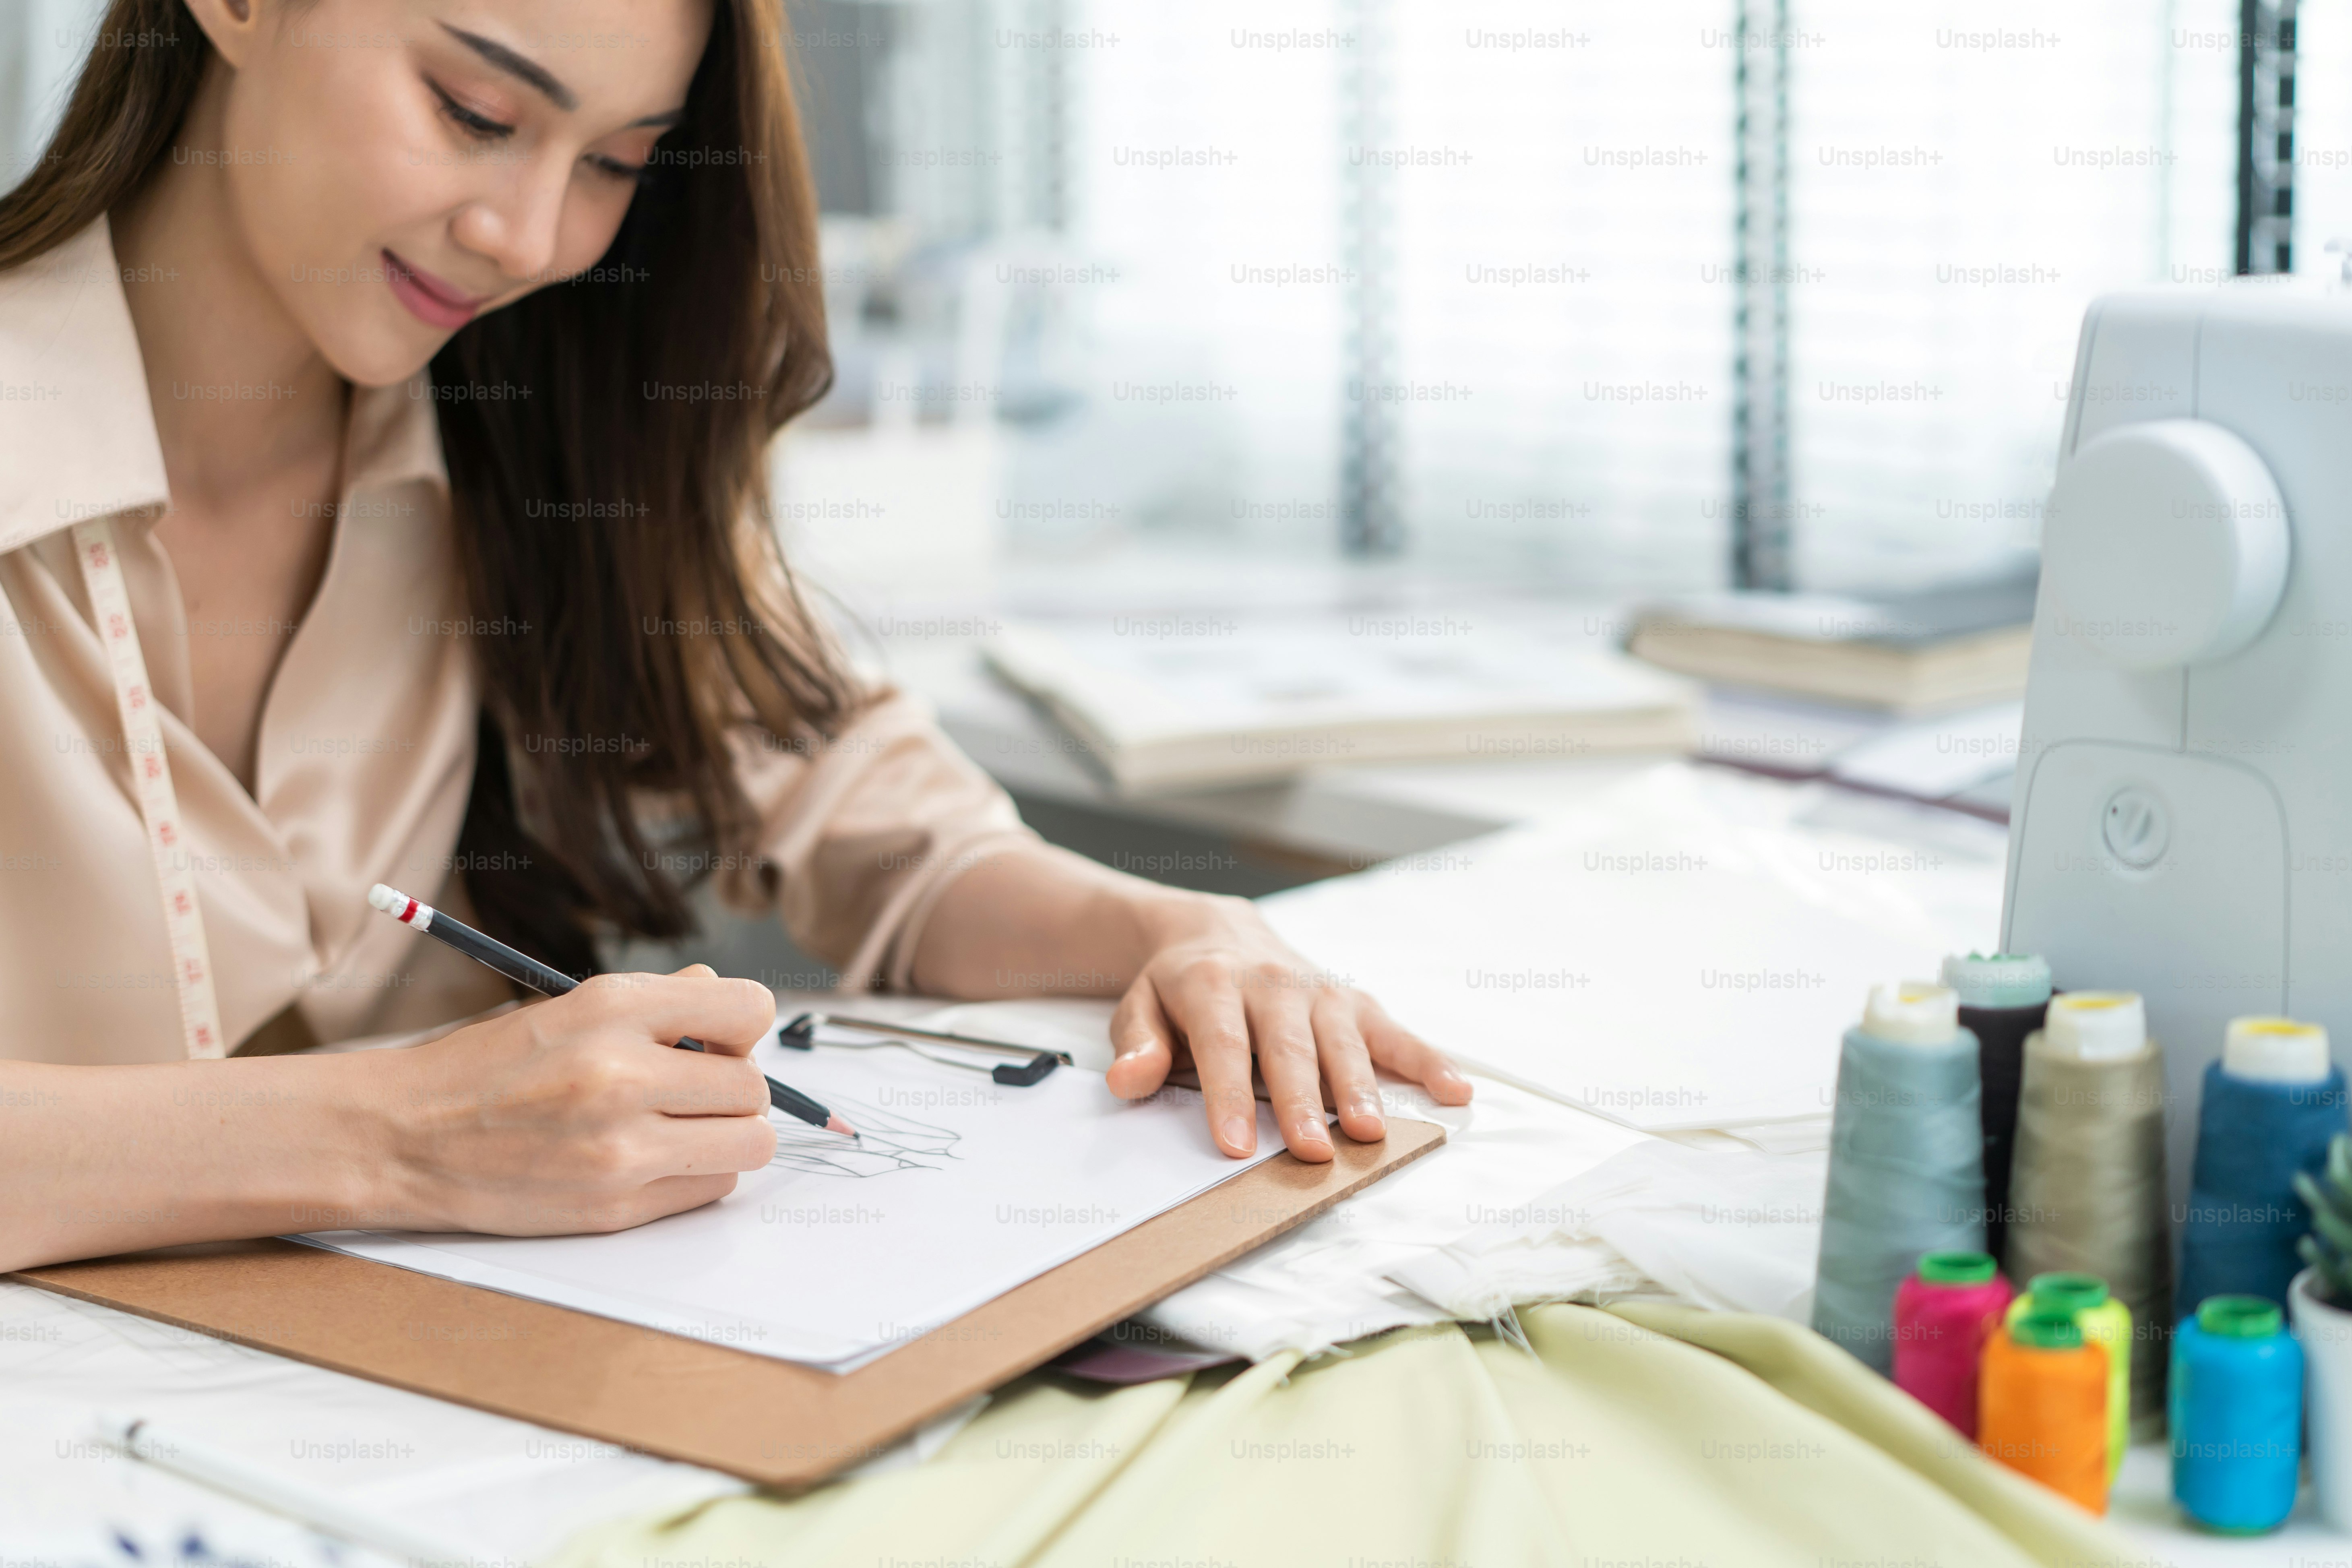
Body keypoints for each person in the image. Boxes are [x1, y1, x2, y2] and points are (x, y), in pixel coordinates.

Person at [0, 0, 1470, 1274]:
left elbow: (896, 839)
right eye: (476, 110)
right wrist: (403, 1140)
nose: (528, 237)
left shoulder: (549, 424)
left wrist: (1173, 928)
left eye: (617, 163)